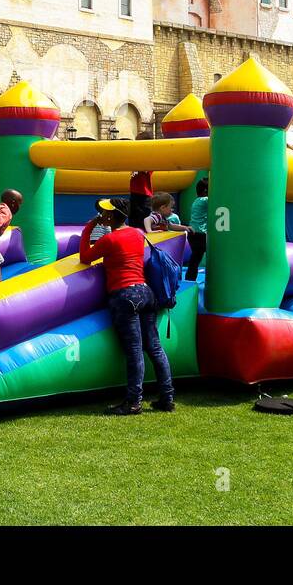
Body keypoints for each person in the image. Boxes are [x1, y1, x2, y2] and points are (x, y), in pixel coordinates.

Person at [79, 197, 174, 416]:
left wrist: (89, 227)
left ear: (111, 216)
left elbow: (85, 257)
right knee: (155, 348)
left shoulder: (110, 240)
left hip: (125, 295)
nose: (101, 216)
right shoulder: (137, 234)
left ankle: (133, 402)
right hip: (145, 291)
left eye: (104, 213)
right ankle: (167, 398)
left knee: (134, 351)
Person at [185, 178, 208, 282]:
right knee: (196, 258)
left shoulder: (196, 200)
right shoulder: (205, 200)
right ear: (206, 191)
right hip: (200, 234)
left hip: (193, 233)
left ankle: (189, 279)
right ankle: (190, 279)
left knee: (195, 259)